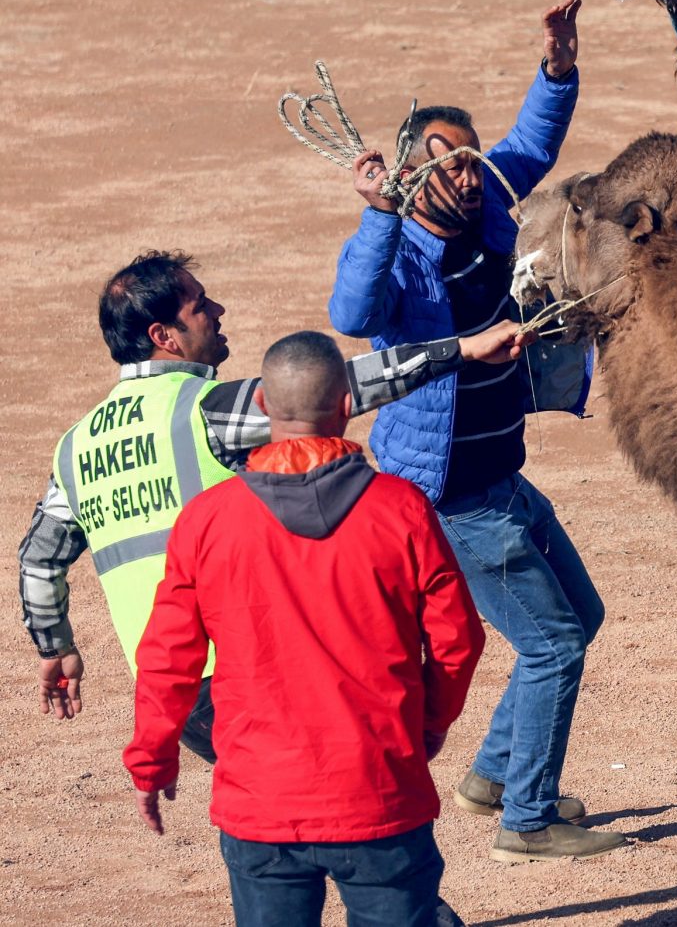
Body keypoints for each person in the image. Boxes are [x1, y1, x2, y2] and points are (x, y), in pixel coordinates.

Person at [328, 0, 621, 863]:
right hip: (452, 497)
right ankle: (527, 819)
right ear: (413, 177)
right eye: (445, 160)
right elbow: (349, 311)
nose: (466, 170)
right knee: (553, 643)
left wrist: (557, 64)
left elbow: (532, 142)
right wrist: (379, 215)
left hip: (501, 478)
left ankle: (497, 772)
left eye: (468, 154)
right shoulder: (402, 261)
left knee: (582, 614)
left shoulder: (489, 206)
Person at [21, 249, 522, 741]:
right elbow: (324, 387)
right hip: (252, 671)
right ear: (163, 337)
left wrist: (55, 647)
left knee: (270, 811)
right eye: (200, 305)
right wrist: (461, 350)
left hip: (174, 692)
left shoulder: (75, 445)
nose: (217, 311)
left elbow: (39, 561)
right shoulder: (201, 409)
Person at [126, 332, 485, 927]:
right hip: (379, 791)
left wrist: (152, 759)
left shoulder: (206, 521)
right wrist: (426, 726)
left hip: (261, 804)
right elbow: (457, 640)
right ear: (347, 405)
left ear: (262, 404)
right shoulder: (401, 510)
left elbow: (167, 657)